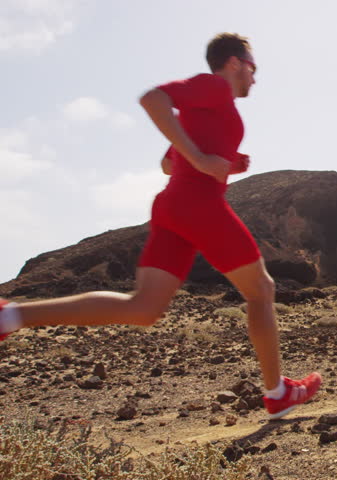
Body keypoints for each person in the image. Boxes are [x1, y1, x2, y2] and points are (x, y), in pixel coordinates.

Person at [0, 32, 320, 420]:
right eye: (252, 68)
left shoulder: (207, 109)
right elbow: (153, 99)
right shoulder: (214, 88)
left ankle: (10, 316)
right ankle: (277, 392)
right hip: (198, 204)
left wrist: (222, 160)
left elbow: (168, 165)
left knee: (143, 307)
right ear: (234, 63)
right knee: (262, 289)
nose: (255, 77)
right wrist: (203, 160)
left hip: (173, 207)